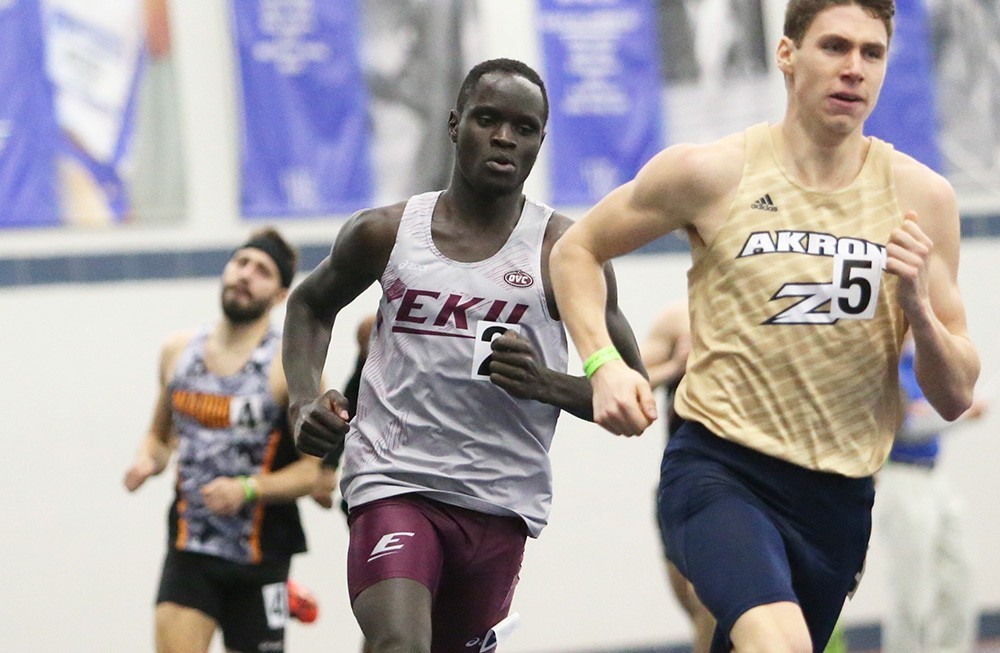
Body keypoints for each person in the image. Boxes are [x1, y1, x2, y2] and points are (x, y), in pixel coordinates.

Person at [549, 0, 981, 649]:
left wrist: (918, 306)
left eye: (872, 53)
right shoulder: (714, 171)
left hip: (838, 498)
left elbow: (955, 396)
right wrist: (601, 362)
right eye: (834, 47)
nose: (853, 69)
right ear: (787, 55)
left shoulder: (923, 199)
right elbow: (575, 250)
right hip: (720, 470)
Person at [281, 58, 645, 653]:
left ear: (540, 142)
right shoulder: (386, 233)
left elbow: (632, 392)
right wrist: (301, 400)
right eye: (487, 119)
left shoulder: (565, 253)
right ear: (454, 125)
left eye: (524, 128)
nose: (504, 137)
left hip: (500, 500)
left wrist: (545, 383)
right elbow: (308, 308)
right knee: (399, 643)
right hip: (392, 482)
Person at [123, 228, 328, 653]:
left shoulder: (291, 367)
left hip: (261, 556)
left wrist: (248, 489)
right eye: (241, 262)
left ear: (279, 294)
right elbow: (160, 437)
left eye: (262, 271)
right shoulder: (178, 351)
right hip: (190, 547)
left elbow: (312, 474)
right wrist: (147, 460)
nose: (245, 275)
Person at [877, 335, 987, 653]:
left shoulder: (921, 365)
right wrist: (964, 414)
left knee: (961, 573)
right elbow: (906, 428)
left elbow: (931, 411)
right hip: (900, 477)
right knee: (910, 590)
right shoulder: (888, 368)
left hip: (935, 477)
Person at [641, 301, 715, 653]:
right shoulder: (677, 319)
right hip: (684, 484)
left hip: (747, 482)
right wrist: (675, 367)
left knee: (710, 602)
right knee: (699, 609)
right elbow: (627, 383)